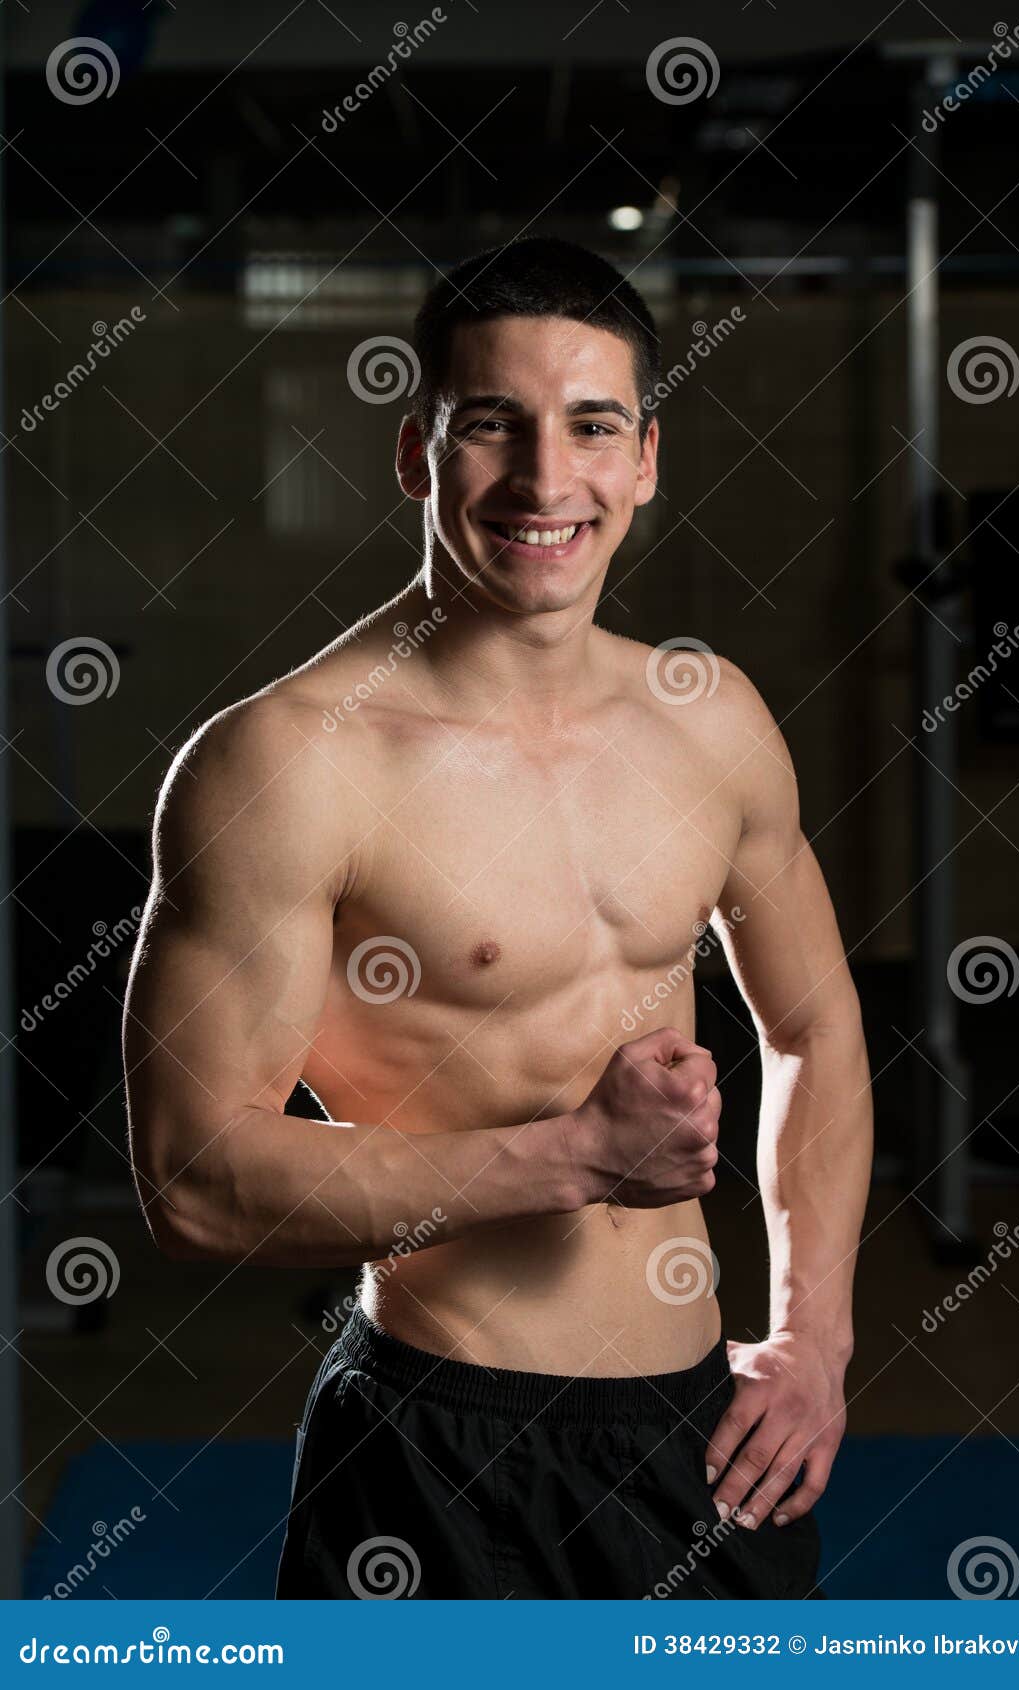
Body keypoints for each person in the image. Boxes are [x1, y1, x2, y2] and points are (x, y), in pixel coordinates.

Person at [123, 236, 872, 1601]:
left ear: (646, 457)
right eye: (492, 426)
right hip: (434, 1452)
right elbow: (191, 1178)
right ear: (419, 454)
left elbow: (815, 1020)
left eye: (591, 426)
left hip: (695, 1436)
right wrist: (574, 1156)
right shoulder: (287, 761)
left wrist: (814, 1332)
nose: (545, 480)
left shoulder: (713, 721)